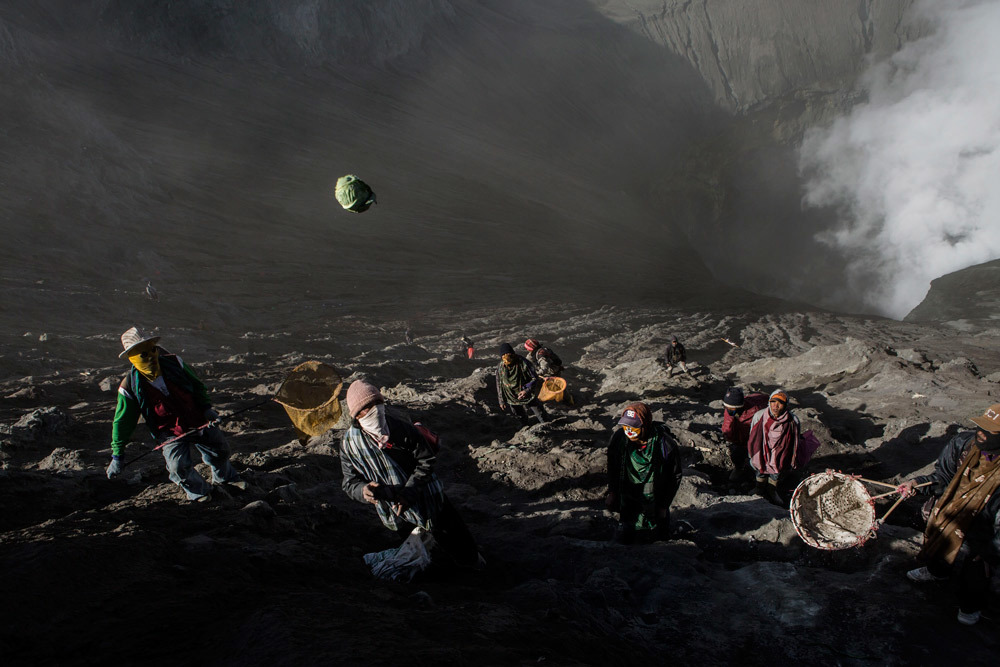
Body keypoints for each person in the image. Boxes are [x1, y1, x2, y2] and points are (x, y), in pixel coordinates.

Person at [340, 380, 481, 568]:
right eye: (367, 408)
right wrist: (364, 490)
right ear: (357, 415)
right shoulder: (350, 445)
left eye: (377, 404)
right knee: (425, 553)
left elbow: (426, 460)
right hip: (397, 512)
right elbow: (350, 482)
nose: (375, 411)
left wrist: (410, 492)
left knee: (460, 543)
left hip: (428, 497)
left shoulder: (401, 428)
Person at [105, 326, 245, 502]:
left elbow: (196, 386)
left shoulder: (175, 363)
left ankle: (226, 479)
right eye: (143, 354)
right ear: (132, 358)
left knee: (220, 450)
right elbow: (122, 422)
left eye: (152, 350)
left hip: (197, 419)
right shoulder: (130, 387)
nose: (151, 356)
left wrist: (207, 408)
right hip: (169, 432)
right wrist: (117, 455)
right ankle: (198, 491)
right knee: (178, 466)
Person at [898, 403, 1000, 625]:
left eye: (989, 431)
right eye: (980, 427)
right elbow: (943, 476)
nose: (980, 434)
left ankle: (971, 605)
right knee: (939, 527)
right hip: (954, 507)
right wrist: (916, 483)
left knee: (977, 563)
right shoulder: (963, 443)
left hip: (987, 522)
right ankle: (937, 571)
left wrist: (991, 551)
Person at [606, 403, 683, 544]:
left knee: (656, 538)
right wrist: (612, 491)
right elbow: (612, 465)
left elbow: (675, 476)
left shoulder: (665, 444)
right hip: (627, 495)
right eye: (625, 426)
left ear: (645, 424)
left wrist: (664, 506)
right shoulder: (619, 439)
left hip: (655, 499)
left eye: (633, 427)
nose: (628, 431)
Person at [746, 389, 801, 506]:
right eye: (773, 401)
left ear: (786, 405)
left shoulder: (793, 421)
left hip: (780, 452)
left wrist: (792, 458)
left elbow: (795, 441)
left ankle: (772, 490)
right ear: (769, 402)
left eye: (780, 403)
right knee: (760, 468)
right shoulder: (759, 416)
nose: (776, 406)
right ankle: (759, 489)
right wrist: (752, 452)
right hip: (761, 449)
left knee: (776, 470)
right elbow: (752, 436)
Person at [721, 387, 769, 482]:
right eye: (726, 408)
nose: (728, 411)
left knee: (759, 458)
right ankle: (739, 468)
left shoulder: (756, 411)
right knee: (736, 453)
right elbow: (728, 430)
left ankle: (761, 478)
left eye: (732, 409)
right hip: (740, 439)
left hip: (756, 438)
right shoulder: (730, 410)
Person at [495, 343, 546, 424]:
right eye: (504, 356)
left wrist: (526, 390)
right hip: (511, 396)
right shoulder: (500, 367)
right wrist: (501, 400)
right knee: (519, 414)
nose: (507, 359)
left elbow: (534, 378)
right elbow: (499, 383)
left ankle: (546, 424)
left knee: (539, 412)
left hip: (526, 393)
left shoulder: (523, 363)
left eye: (509, 355)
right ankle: (524, 425)